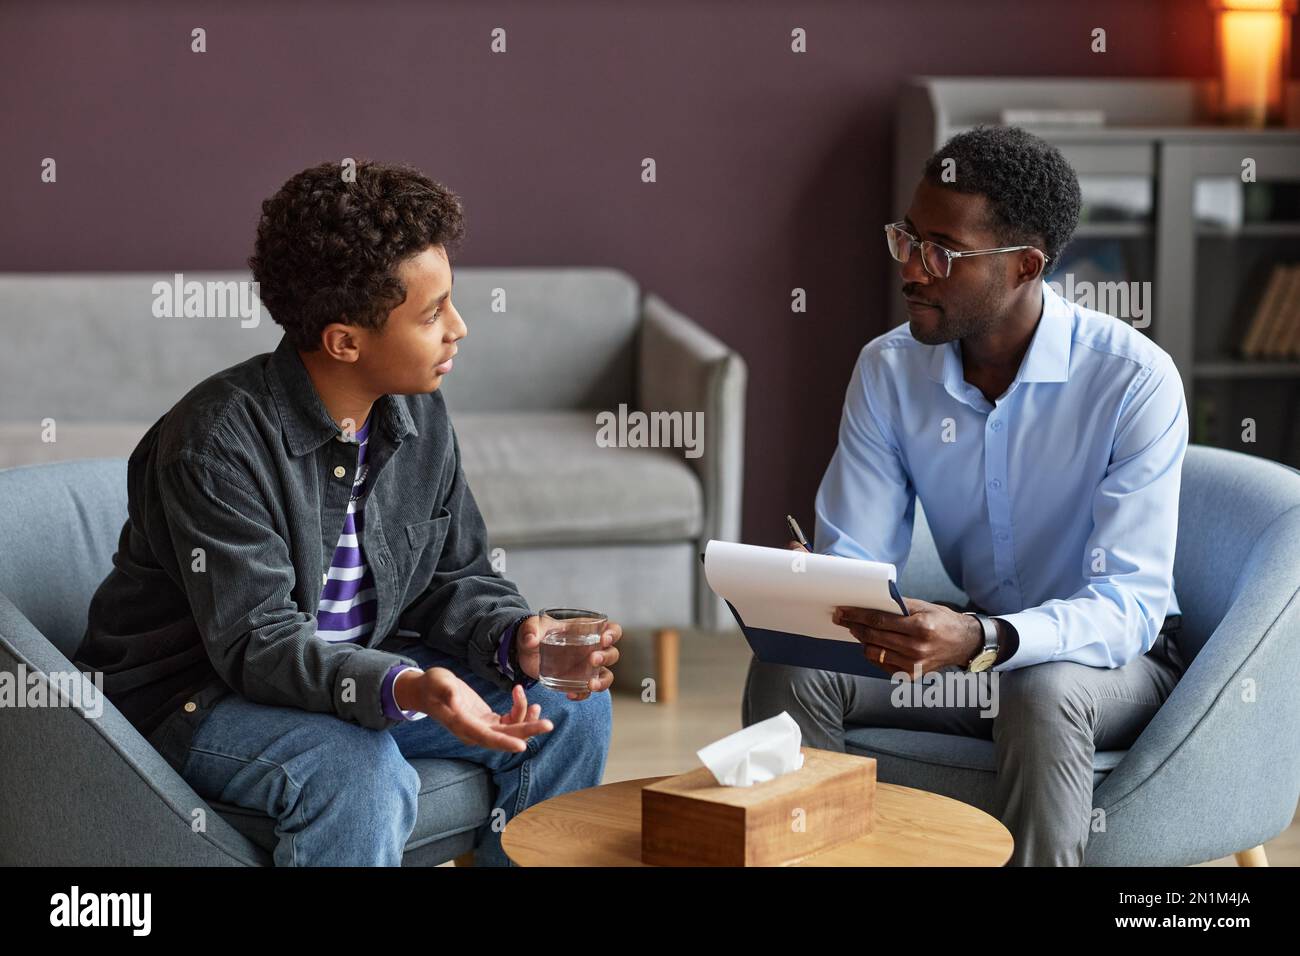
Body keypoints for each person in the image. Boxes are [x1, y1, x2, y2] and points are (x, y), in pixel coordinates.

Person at [72, 160, 619, 866]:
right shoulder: (213, 446)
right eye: (431, 314)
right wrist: (406, 687)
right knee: (360, 778)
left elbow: (454, 575)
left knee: (571, 711)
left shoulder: (417, 411)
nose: (459, 328)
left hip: (362, 670)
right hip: (201, 696)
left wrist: (514, 637)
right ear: (345, 342)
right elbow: (257, 647)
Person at [742, 125, 1189, 866]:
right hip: (972, 656)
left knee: (1040, 691)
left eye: (941, 251)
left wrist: (986, 640)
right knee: (792, 665)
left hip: (1112, 662)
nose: (911, 270)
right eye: (907, 238)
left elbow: (1129, 608)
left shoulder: (1132, 381)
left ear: (1024, 266)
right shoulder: (888, 371)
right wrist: (820, 589)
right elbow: (859, 555)